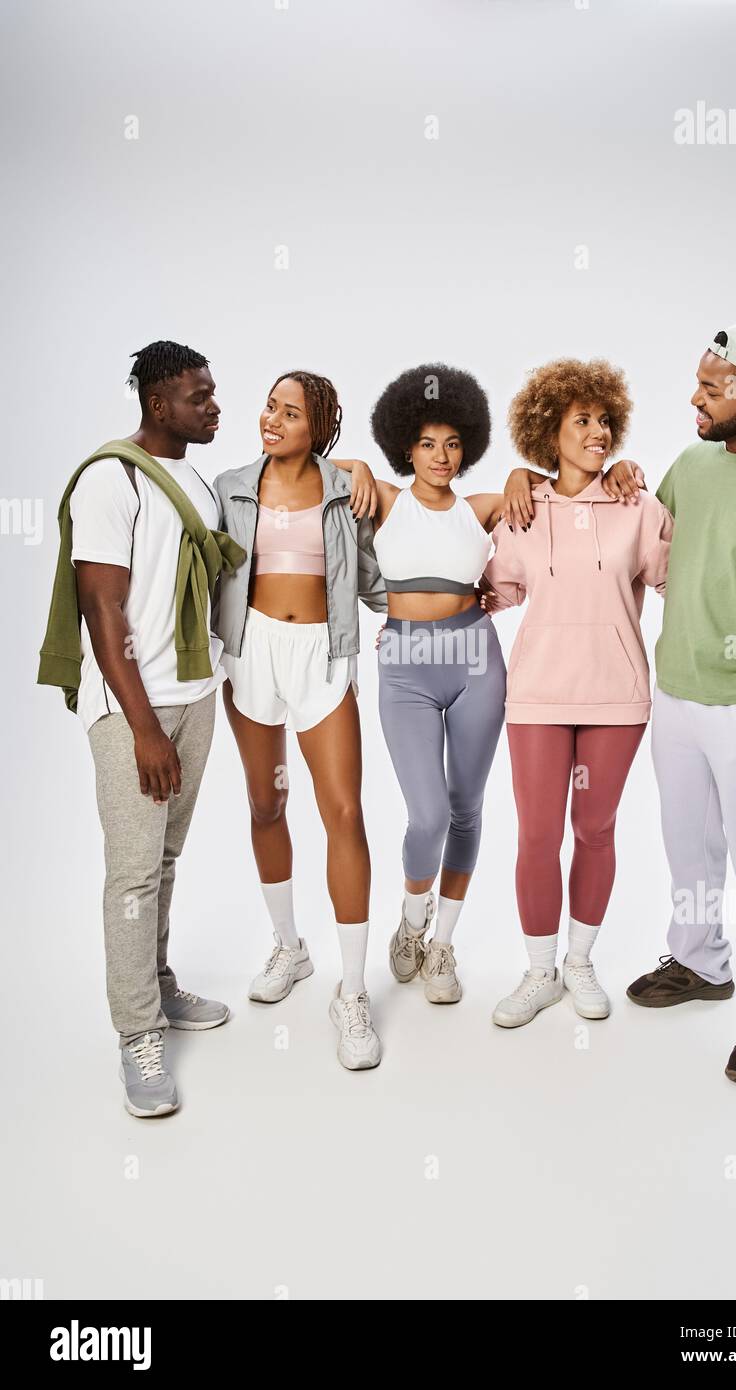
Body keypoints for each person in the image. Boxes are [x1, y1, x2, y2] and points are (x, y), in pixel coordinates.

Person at [518, 322, 736, 1085]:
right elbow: (615, 520)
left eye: (713, 388)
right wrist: (526, 478)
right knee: (689, 843)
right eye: (698, 382)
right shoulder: (691, 464)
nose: (694, 398)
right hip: (673, 692)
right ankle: (701, 962)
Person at [37, 340, 245, 1117]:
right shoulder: (110, 478)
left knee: (165, 856)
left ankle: (155, 983)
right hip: (136, 708)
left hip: (193, 693)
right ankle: (137, 1033)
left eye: (215, 394)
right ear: (159, 403)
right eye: (201, 396)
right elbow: (103, 610)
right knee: (131, 873)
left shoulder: (191, 479)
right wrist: (145, 730)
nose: (214, 406)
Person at [480, 359, 671, 1027]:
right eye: (581, 420)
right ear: (547, 430)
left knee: (594, 830)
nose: (598, 432)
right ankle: (539, 972)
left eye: (604, 420)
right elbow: (488, 596)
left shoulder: (637, 507)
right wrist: (413, 617)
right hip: (536, 698)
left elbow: (683, 582)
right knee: (536, 835)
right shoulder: (522, 511)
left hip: (616, 697)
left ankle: (580, 961)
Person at [213, 371, 388, 1071]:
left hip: (323, 653)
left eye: (290, 413)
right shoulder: (228, 486)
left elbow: (376, 577)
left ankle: (352, 991)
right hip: (251, 648)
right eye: (269, 406)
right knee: (265, 803)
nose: (272, 419)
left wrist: (433, 610)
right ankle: (289, 946)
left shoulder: (347, 489)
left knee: (344, 812)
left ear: (319, 426)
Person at [335, 364, 507, 1005]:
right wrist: (352, 461)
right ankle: (411, 923)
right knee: (427, 814)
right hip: (405, 663)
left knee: (465, 809)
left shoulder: (479, 508)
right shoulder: (382, 496)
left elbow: (552, 491)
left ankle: (444, 945)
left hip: (475, 660)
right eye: (428, 443)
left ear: (468, 450)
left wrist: (521, 476)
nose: (440, 456)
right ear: (405, 445)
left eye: (453, 444)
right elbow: (310, 468)